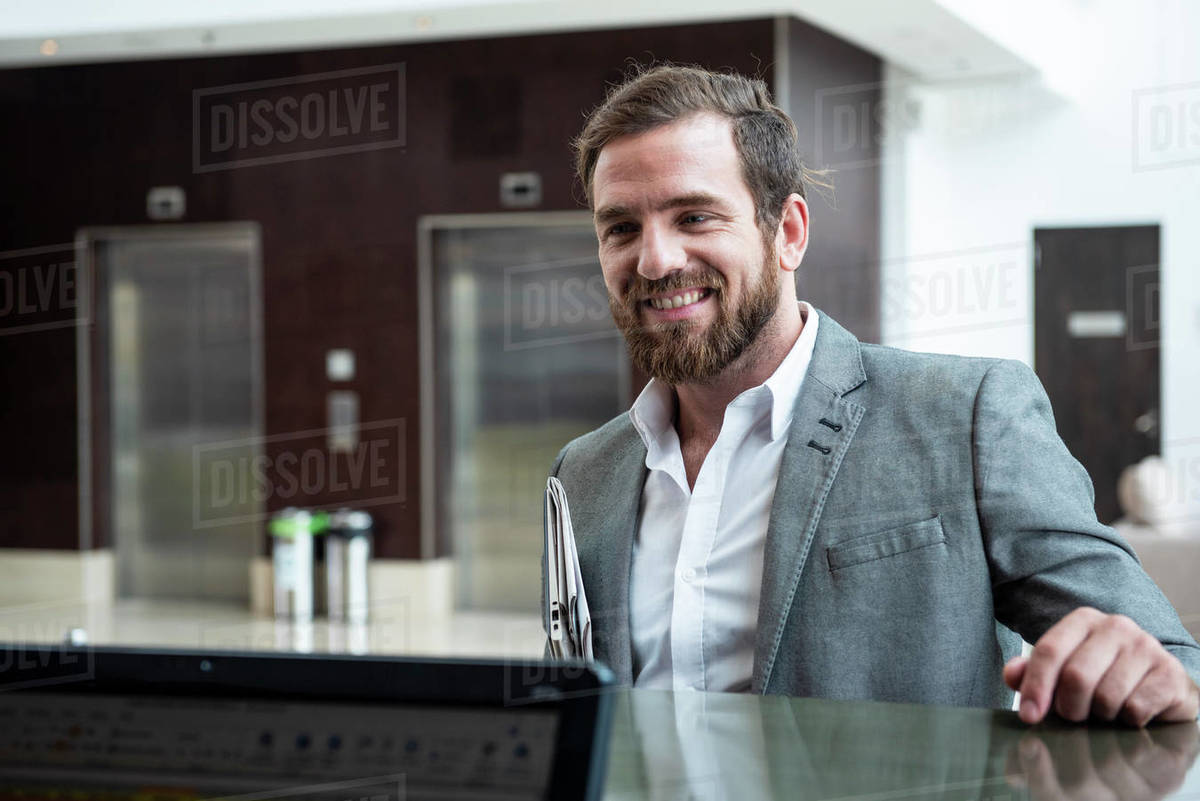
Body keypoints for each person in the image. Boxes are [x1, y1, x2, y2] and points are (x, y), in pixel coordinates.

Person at [544, 63, 1200, 726]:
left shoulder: (966, 417)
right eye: (621, 228)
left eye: (695, 216)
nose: (655, 260)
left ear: (789, 233)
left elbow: (1175, 670)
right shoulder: (584, 473)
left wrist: (1141, 671)